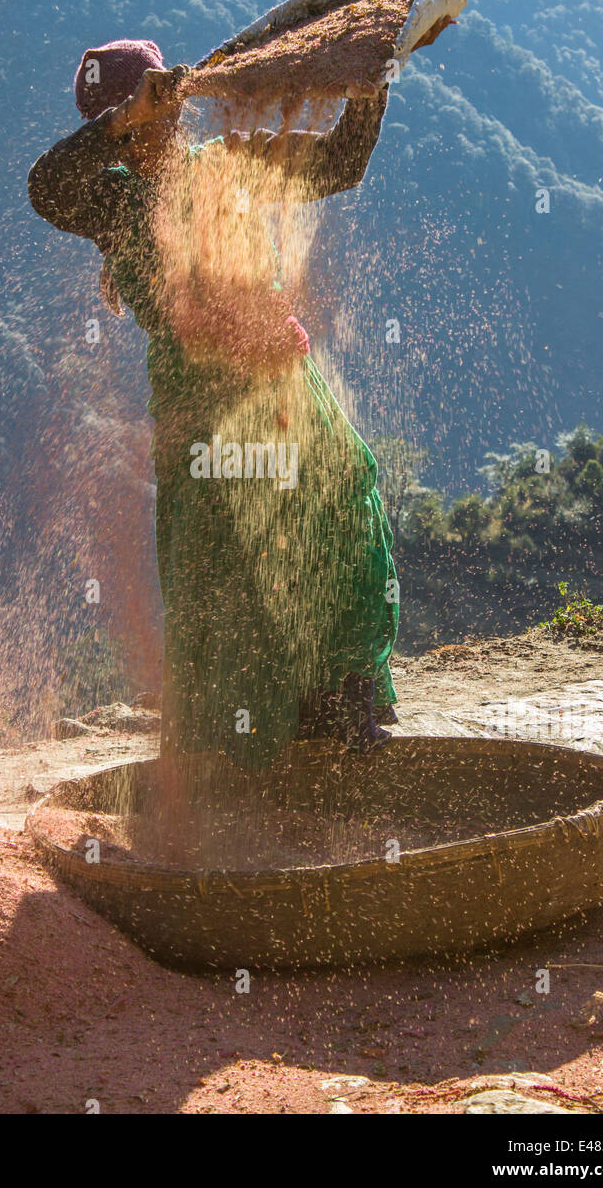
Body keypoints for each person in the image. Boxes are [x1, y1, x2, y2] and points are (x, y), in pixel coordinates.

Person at [28, 38, 399, 770]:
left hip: (281, 382)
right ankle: (238, 752)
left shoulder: (226, 163)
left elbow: (340, 164)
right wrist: (116, 122)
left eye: (149, 111)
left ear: (176, 109)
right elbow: (45, 187)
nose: (141, 132)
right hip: (200, 405)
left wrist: (370, 82)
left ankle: (339, 701)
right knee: (225, 568)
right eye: (114, 118)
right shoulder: (109, 198)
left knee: (337, 513)